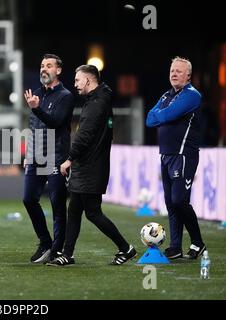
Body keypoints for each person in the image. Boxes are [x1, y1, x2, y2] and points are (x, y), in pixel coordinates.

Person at [48, 65, 136, 266]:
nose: (75, 84)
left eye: (78, 80)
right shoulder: (98, 99)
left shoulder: (97, 103)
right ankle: (67, 254)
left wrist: (69, 158)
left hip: (90, 166)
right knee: (75, 210)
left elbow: (85, 134)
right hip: (89, 164)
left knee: (93, 212)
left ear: (88, 81)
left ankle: (125, 248)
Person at [146, 57, 206, 259]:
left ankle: (198, 242)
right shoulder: (166, 95)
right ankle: (175, 247)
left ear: (188, 75)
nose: (174, 74)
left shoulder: (192, 96)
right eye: (172, 70)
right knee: (170, 203)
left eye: (179, 71)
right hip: (165, 155)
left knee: (179, 200)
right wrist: (163, 114)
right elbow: (149, 119)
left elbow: (164, 117)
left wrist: (162, 115)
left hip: (183, 155)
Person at [23, 53, 74, 263]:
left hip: (56, 157)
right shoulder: (36, 93)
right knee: (28, 199)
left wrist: (37, 108)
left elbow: (55, 122)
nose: (44, 69)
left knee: (57, 204)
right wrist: (28, 153)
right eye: (42, 65)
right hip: (36, 157)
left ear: (58, 70)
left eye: (49, 66)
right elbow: (33, 127)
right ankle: (45, 241)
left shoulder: (65, 96)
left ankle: (57, 249)